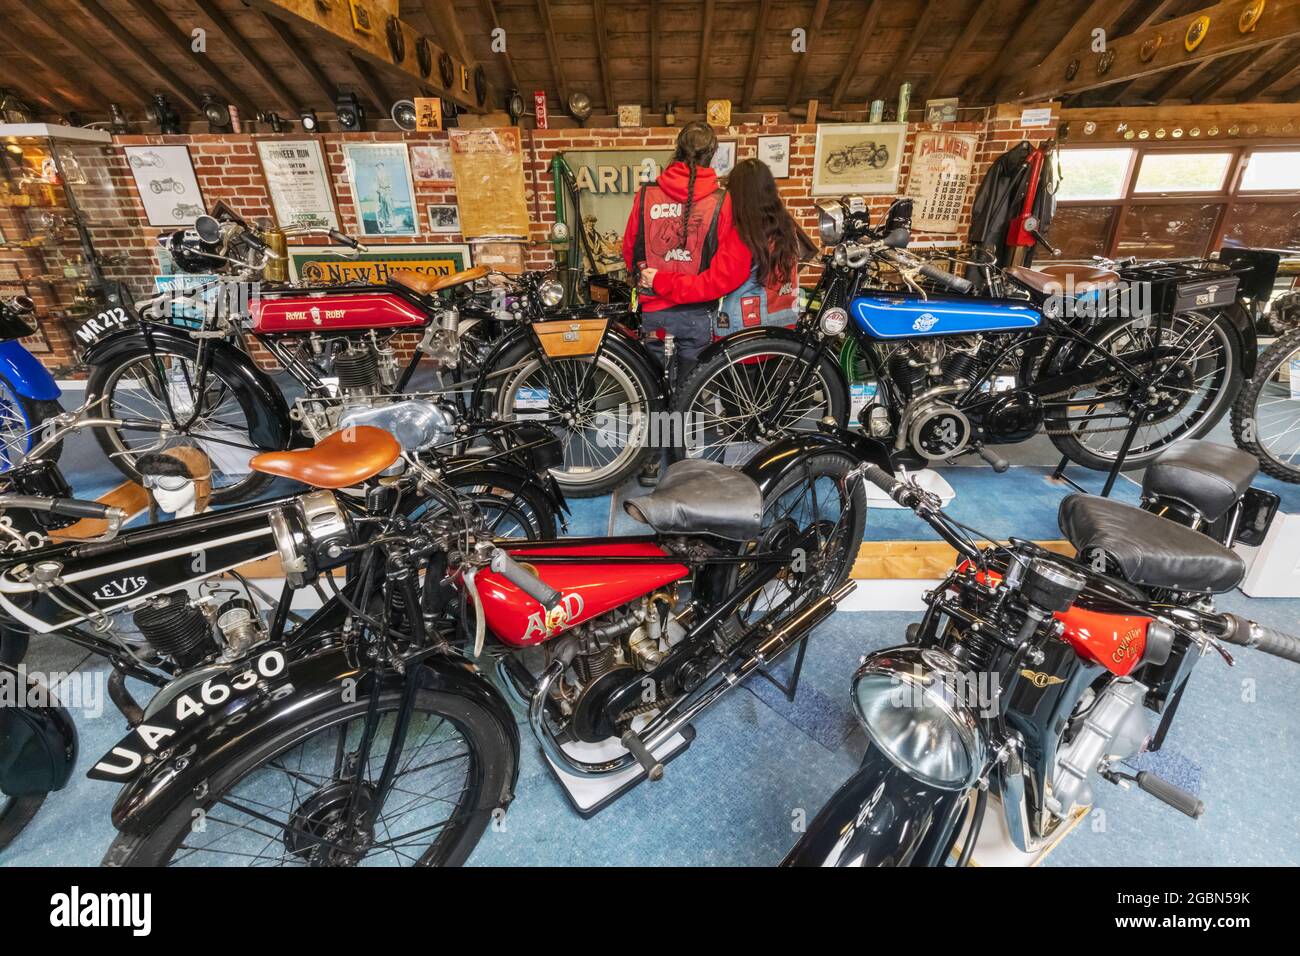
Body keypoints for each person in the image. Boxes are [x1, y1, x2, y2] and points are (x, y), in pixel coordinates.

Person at [622, 122, 751, 383]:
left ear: (678, 148)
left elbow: (628, 249)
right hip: (698, 313)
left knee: (654, 390)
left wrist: (652, 278)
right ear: (712, 154)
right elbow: (729, 272)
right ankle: (688, 424)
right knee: (692, 392)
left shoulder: (646, 194)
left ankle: (658, 425)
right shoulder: (723, 201)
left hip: (653, 311)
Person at [645, 158, 816, 335]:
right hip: (783, 333)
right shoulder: (786, 228)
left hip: (744, 339)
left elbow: (711, 284)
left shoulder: (745, 236)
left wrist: (660, 280)